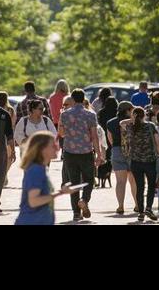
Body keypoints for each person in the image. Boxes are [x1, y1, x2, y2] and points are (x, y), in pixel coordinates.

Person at [15, 131, 78, 226]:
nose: (57, 148)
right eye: (53, 145)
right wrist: (60, 193)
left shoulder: (41, 168)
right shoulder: (36, 170)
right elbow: (33, 201)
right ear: (42, 149)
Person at [59, 88, 102, 221]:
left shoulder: (64, 114)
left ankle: (76, 213)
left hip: (70, 153)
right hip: (86, 152)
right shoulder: (90, 115)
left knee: (74, 182)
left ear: (72, 99)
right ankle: (84, 199)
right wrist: (99, 154)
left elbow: (61, 133)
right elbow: (94, 136)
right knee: (89, 179)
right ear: (83, 99)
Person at [122, 106, 159, 222]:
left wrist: (133, 119)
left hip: (135, 162)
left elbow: (121, 123)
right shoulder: (150, 126)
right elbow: (158, 143)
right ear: (144, 115)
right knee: (151, 186)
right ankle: (149, 208)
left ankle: (141, 212)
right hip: (150, 161)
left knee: (140, 187)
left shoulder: (130, 126)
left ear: (133, 115)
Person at [105, 101, 136, 215]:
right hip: (132, 152)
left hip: (117, 150)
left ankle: (120, 206)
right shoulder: (133, 122)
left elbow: (110, 140)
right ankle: (137, 205)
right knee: (133, 181)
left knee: (120, 182)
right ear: (128, 110)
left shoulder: (110, 123)